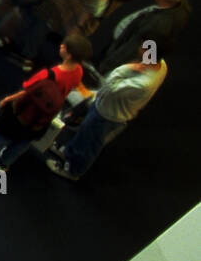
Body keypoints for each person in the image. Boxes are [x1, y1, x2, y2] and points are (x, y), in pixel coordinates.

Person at [0, 34, 91, 171]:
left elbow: (26, 91)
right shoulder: (79, 71)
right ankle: (4, 163)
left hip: (23, 112)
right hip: (43, 118)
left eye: (64, 46)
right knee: (23, 142)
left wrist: (6, 101)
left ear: (68, 55)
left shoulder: (48, 74)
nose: (61, 46)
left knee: (2, 136)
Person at [46, 41, 167, 181]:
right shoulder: (161, 65)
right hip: (104, 106)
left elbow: (110, 86)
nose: (138, 47)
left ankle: (72, 171)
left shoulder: (143, 83)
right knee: (84, 132)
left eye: (143, 47)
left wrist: (128, 68)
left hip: (108, 115)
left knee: (89, 144)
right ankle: (68, 152)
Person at [99, 0, 188, 74]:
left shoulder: (158, 26)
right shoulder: (178, 9)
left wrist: (133, 64)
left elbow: (146, 51)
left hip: (122, 60)